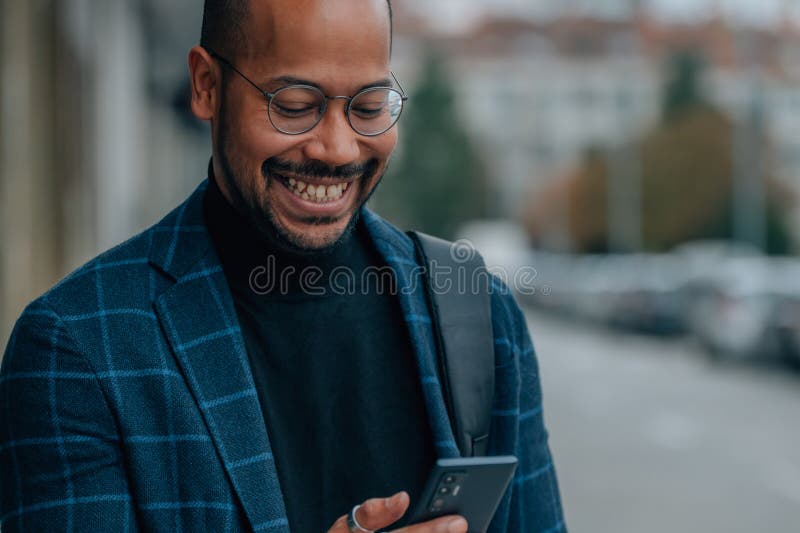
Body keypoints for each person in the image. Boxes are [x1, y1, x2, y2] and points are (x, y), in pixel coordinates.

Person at [0, 1, 565, 531]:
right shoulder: (78, 350)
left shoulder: (479, 314)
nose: (339, 149)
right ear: (206, 87)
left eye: (369, 106)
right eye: (295, 106)